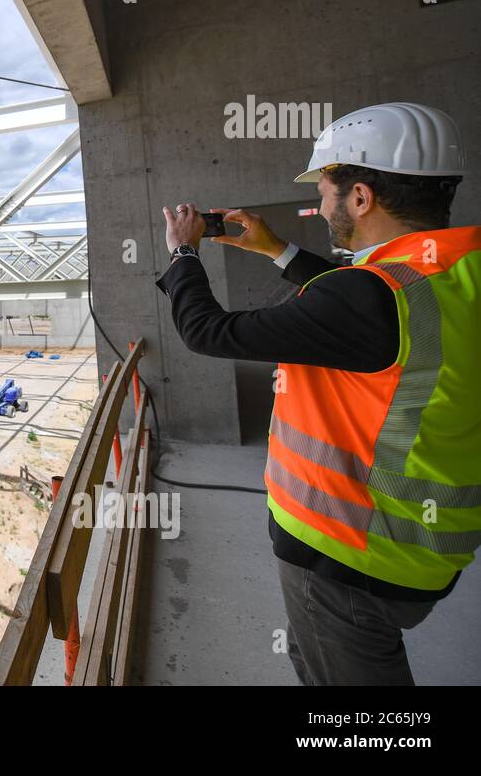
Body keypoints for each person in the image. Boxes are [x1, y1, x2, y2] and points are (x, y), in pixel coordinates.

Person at [155, 101, 478, 685]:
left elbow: (207, 331)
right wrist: (275, 249)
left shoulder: (370, 298)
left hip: (347, 554)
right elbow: (372, 308)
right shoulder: (454, 273)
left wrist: (183, 253)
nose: (322, 205)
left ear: (361, 197)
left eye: (327, 191)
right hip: (422, 550)